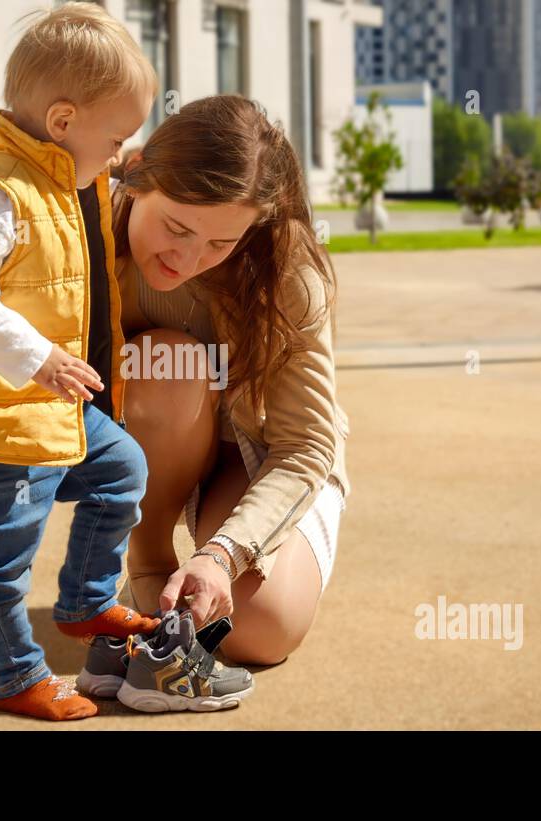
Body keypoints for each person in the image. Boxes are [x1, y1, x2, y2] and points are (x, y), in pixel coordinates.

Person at [0, 3, 158, 721]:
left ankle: (84, 600)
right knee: (0, 561)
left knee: (122, 469)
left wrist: (127, 166)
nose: (116, 155)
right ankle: (17, 674)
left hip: (45, 409)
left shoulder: (59, 179)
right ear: (62, 122)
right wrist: (38, 357)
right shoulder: (2, 193)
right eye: (115, 139)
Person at [113, 95, 352, 667]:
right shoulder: (84, 231)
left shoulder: (287, 269)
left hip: (259, 452)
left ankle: (208, 560)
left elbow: (305, 444)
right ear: (141, 172)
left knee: (259, 630)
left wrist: (223, 556)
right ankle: (147, 569)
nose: (189, 258)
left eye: (221, 244)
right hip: (149, 436)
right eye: (177, 227)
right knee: (170, 361)